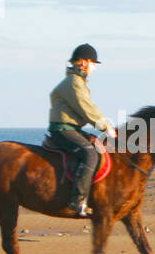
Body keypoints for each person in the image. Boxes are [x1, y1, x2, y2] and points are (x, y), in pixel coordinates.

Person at [48, 43, 113, 217]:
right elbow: (86, 107)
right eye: (93, 63)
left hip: (72, 127)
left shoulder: (78, 82)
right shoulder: (74, 83)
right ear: (83, 62)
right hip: (63, 128)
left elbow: (88, 107)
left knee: (96, 146)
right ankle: (77, 201)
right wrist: (106, 127)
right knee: (89, 153)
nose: (94, 68)